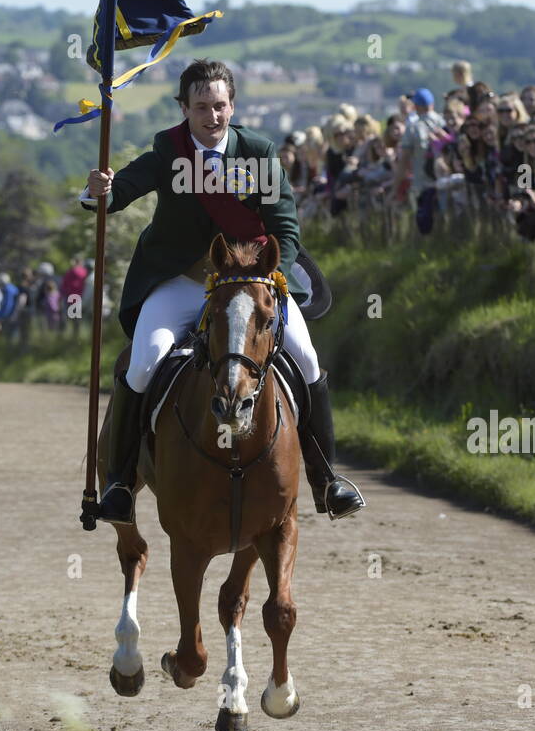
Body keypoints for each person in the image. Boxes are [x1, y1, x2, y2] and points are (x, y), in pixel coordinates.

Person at [80, 58, 364, 525]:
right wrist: (99, 191)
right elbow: (121, 190)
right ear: (184, 108)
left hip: (249, 287)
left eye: (220, 106)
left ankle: (327, 478)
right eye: (201, 108)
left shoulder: (258, 151)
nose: (213, 117)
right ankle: (119, 483)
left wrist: (274, 276)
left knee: (308, 360)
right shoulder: (168, 151)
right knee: (143, 364)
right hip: (182, 283)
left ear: (233, 105)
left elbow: (286, 229)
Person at [391, 88, 446, 221]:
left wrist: (395, 188)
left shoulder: (413, 127)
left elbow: (404, 160)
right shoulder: (443, 122)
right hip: (445, 181)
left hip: (422, 184)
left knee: (424, 222)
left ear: (415, 106)